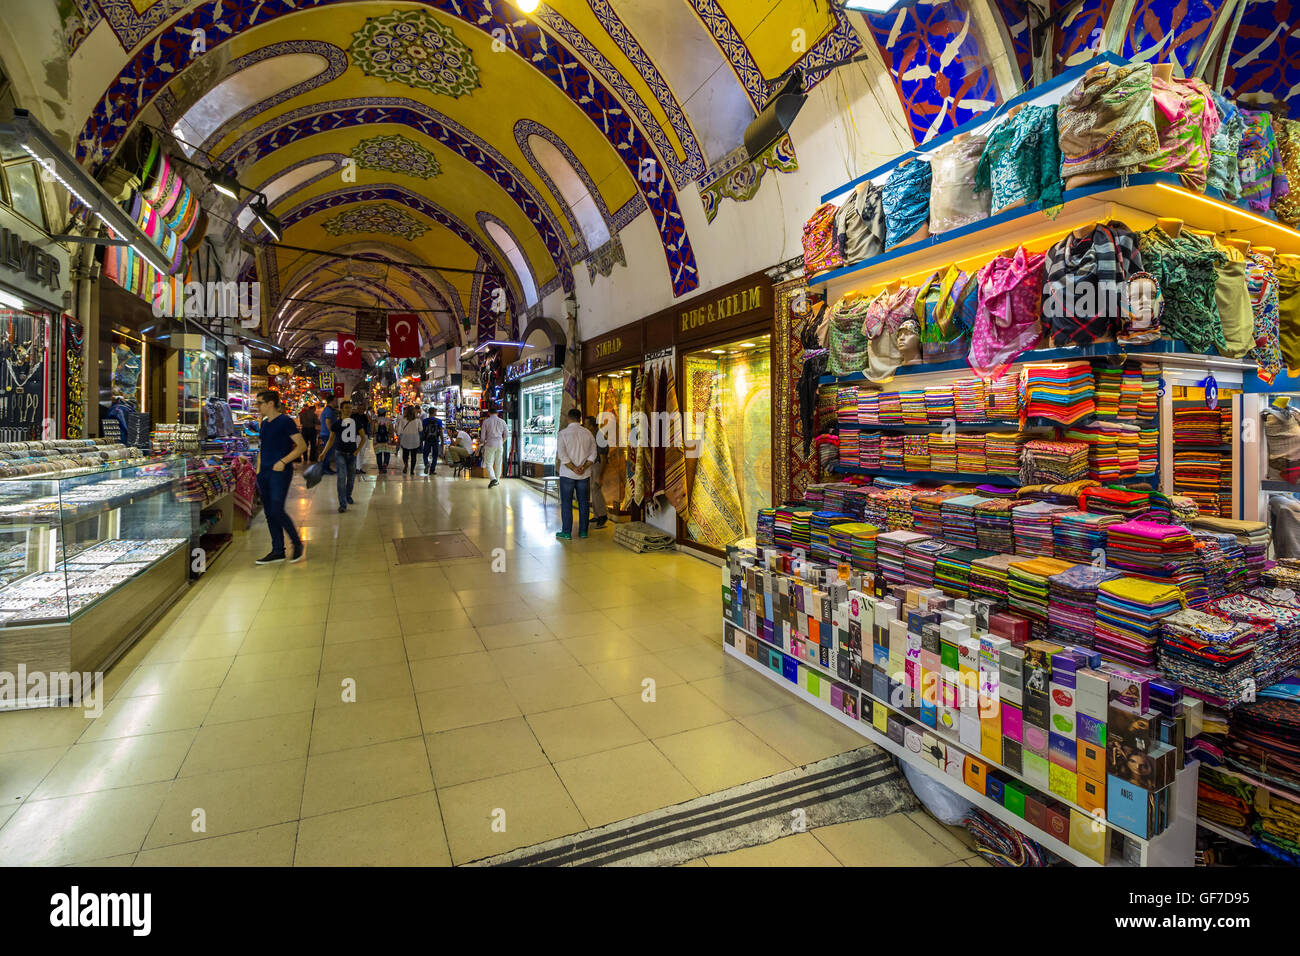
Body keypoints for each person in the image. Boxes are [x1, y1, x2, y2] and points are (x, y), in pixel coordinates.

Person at [254, 390, 306, 564]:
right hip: (265, 473)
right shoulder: (265, 423)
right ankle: (277, 550)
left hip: (280, 472)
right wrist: (259, 471)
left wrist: (283, 462)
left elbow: (301, 446)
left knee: (276, 509)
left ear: (270, 403)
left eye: (259, 403)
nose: (257, 406)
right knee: (269, 512)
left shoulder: (285, 422)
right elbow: (263, 448)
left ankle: (297, 543)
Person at [555, 408, 597, 540]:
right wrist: (583, 467)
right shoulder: (588, 433)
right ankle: (583, 531)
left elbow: (562, 455)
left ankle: (567, 532)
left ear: (568, 417)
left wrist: (573, 468)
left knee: (566, 503)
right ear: (580, 418)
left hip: (567, 474)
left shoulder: (563, 433)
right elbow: (593, 454)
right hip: (584, 474)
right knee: (583, 502)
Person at [318, 398, 365, 512]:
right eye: (346, 408)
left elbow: (363, 438)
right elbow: (330, 440)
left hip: (352, 453)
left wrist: (357, 451)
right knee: (341, 477)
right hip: (340, 453)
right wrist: (323, 453)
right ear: (341, 410)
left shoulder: (356, 423)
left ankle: (348, 495)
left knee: (351, 479)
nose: (349, 410)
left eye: (350, 408)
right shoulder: (336, 424)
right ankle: (342, 504)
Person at [584, 415, 609, 528]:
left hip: (598, 465)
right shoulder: (592, 436)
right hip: (593, 465)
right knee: (593, 491)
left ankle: (603, 515)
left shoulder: (599, 437)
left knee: (596, 489)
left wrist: (600, 475)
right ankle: (597, 514)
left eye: (586, 424)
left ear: (592, 426)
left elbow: (603, 457)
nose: (584, 426)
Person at [481, 405, 508, 487]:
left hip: (489, 444)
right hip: (499, 444)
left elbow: (482, 437)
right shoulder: (502, 421)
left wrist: (482, 443)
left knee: (489, 463)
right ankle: (497, 480)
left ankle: (493, 478)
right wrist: (501, 442)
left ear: (489, 413)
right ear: (497, 413)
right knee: (498, 463)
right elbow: (506, 435)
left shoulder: (486, 422)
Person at [398, 405, 423, 476]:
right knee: (413, 456)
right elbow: (421, 429)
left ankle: (406, 464)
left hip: (405, 439)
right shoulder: (418, 420)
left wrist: (399, 436)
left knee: (405, 454)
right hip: (415, 439)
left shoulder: (403, 420)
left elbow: (399, 430)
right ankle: (412, 470)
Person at [319, 395, 339, 474]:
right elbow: (328, 422)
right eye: (335, 400)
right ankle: (324, 468)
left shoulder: (329, 409)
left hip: (327, 433)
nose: (336, 402)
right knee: (327, 451)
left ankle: (327, 467)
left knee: (329, 451)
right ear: (332, 401)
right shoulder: (328, 410)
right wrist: (332, 432)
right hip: (328, 434)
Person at [421, 407, 444, 475]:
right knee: (435, 455)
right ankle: (432, 470)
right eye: (436, 412)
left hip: (427, 440)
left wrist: (421, 440)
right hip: (435, 440)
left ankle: (427, 464)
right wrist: (442, 440)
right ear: (434, 412)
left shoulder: (425, 421)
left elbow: (423, 432)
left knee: (425, 454)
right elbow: (440, 432)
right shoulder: (439, 421)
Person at [352, 402, 372, 475]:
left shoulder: (365, 416)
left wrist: (366, 413)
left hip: (364, 436)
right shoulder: (353, 416)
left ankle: (359, 467)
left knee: (362, 452)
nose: (361, 410)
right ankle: (357, 468)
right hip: (356, 436)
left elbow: (370, 421)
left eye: (362, 409)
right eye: (359, 408)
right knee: (357, 451)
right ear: (357, 409)